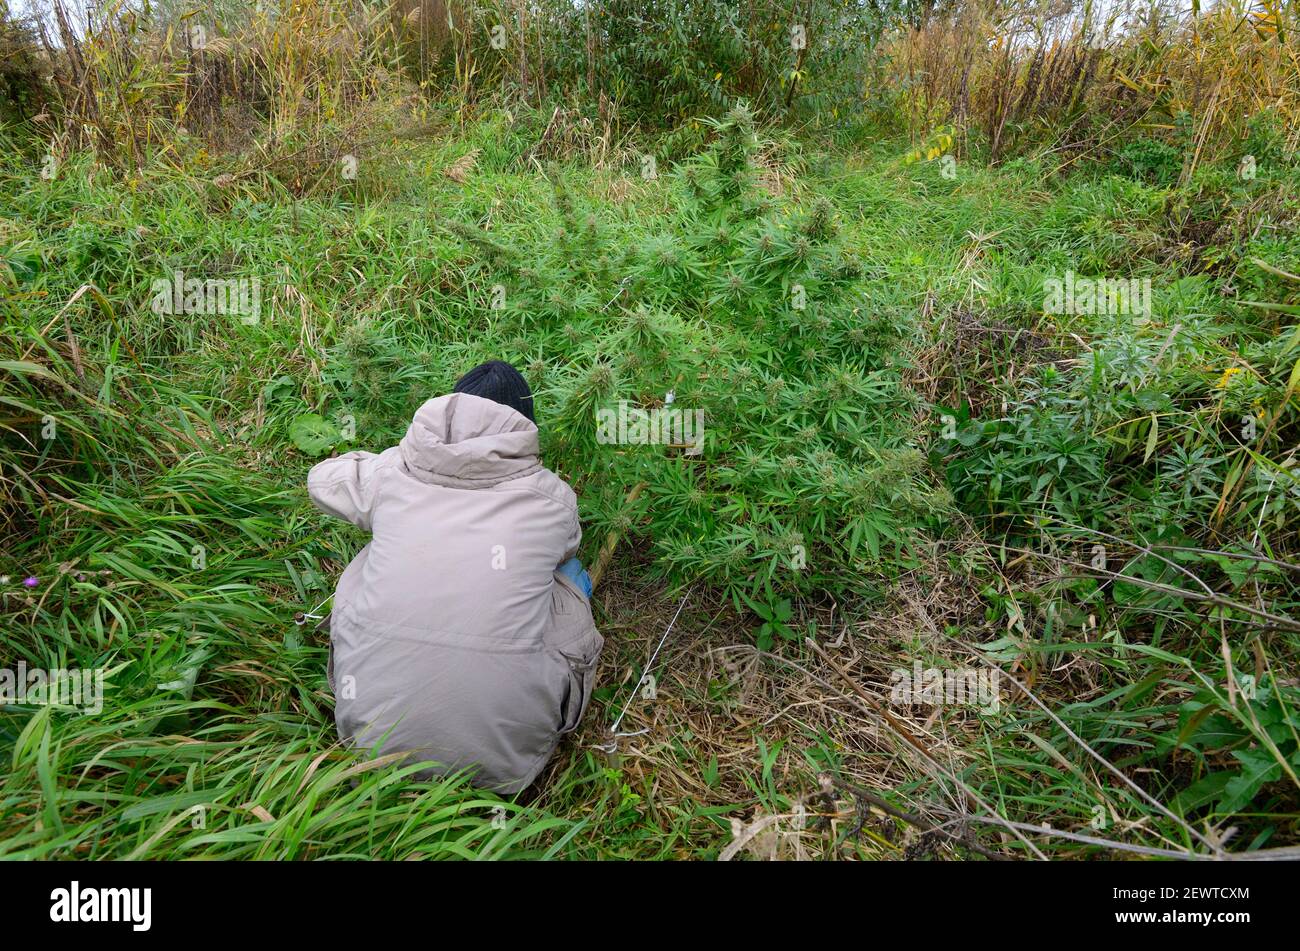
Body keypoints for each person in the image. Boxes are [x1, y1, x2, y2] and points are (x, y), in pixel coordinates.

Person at [307, 360, 601, 792]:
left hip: (369, 741)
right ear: (524, 424)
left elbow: (320, 480)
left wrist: (393, 463)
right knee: (569, 575)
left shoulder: (391, 475)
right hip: (508, 762)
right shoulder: (553, 498)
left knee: (377, 554)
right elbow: (566, 550)